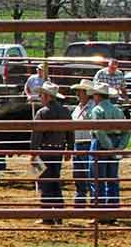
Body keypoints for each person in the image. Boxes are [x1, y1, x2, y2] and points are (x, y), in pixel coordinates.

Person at [30, 80, 73, 222]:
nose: (41, 98)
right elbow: (70, 132)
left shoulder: (42, 112)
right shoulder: (65, 111)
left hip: (45, 151)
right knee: (55, 179)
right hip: (59, 150)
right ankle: (59, 214)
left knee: (45, 181)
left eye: (42, 95)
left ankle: (47, 215)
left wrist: (33, 153)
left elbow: (37, 135)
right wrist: (70, 149)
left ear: (47, 96)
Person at [82, 82, 126, 211]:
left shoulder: (97, 110)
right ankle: (112, 209)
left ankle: (99, 210)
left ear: (97, 96)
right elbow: (127, 130)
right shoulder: (118, 110)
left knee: (97, 178)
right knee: (112, 178)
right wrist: (119, 147)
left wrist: (109, 147)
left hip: (100, 145)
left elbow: (99, 131)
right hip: (116, 142)